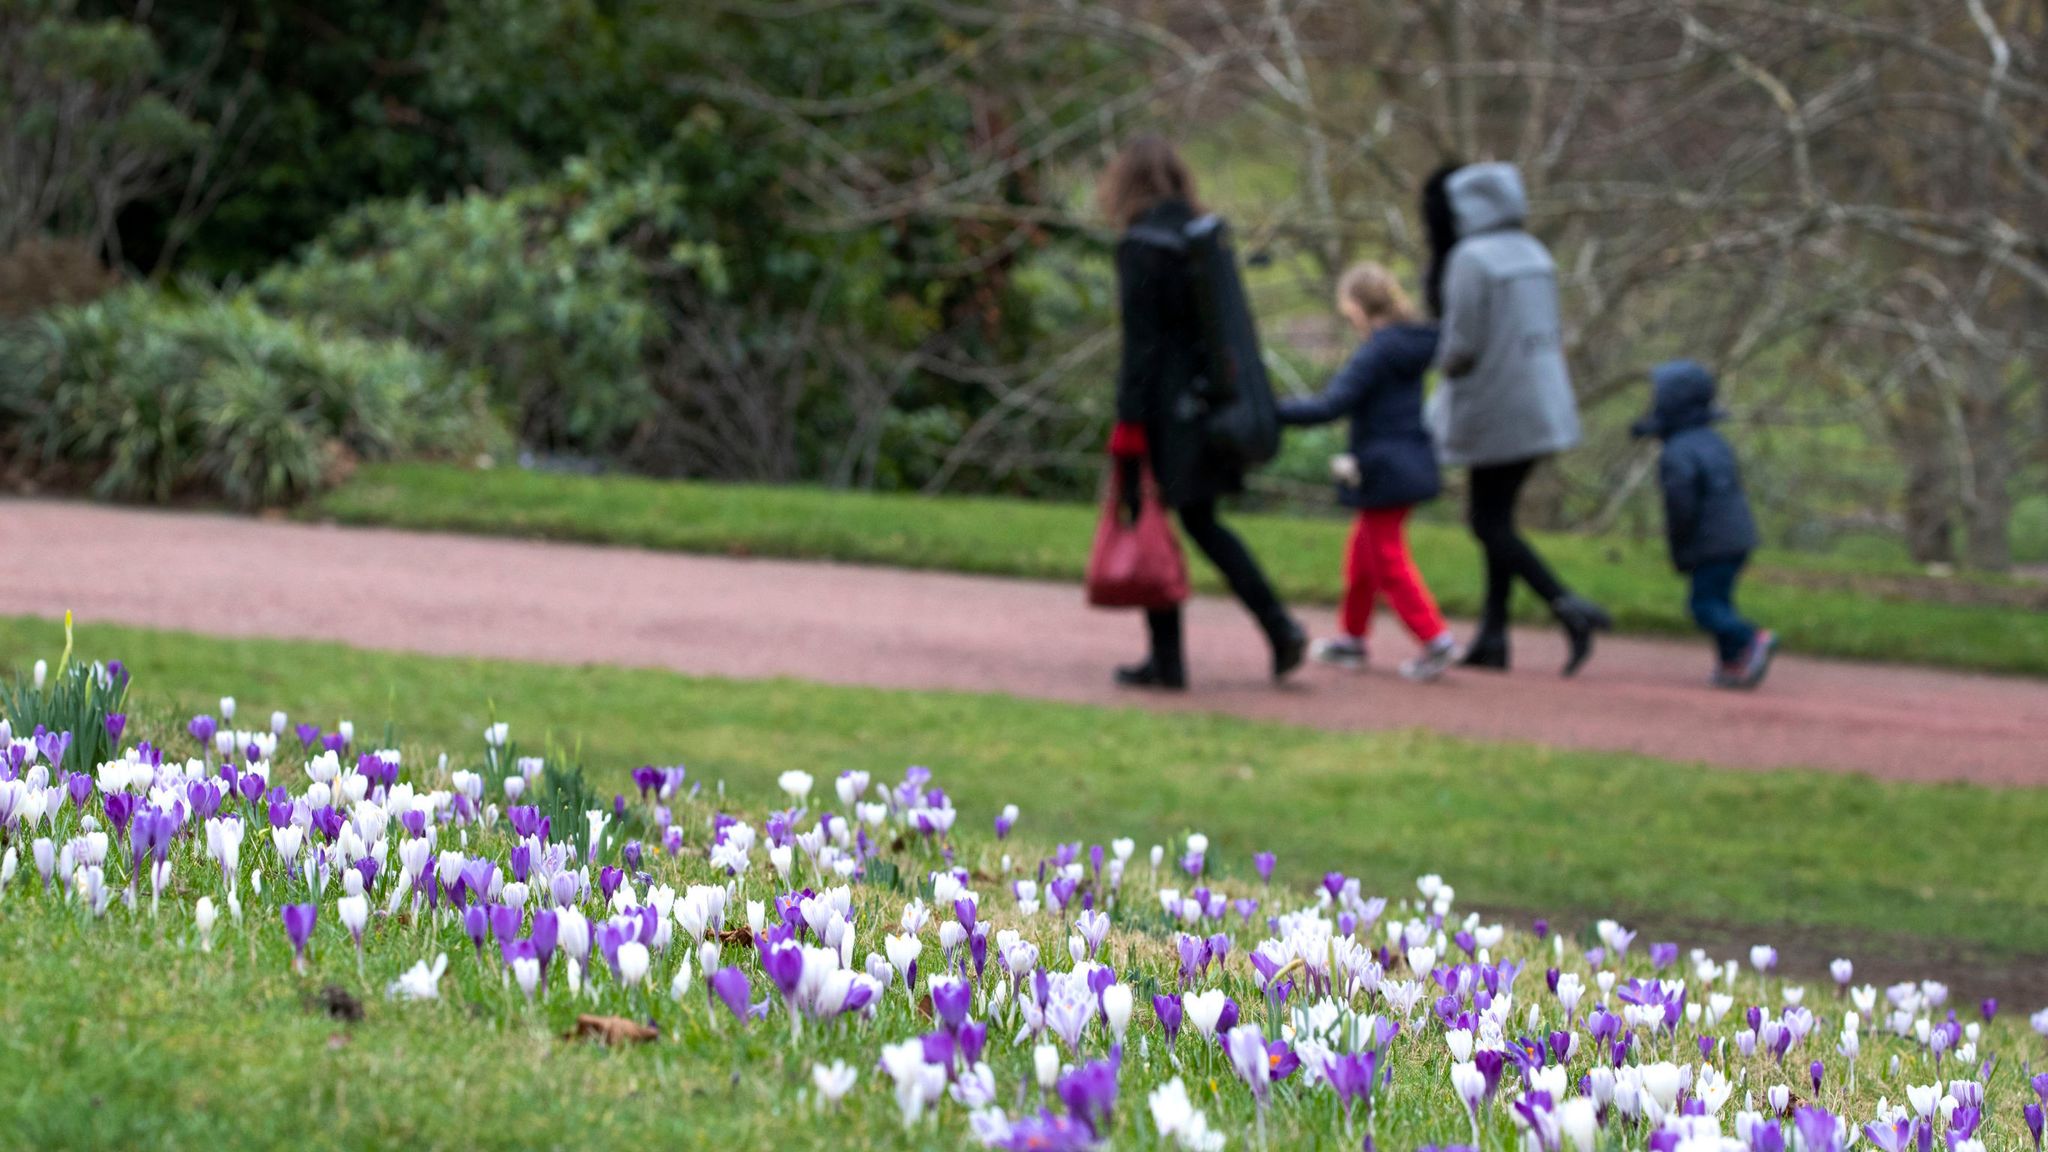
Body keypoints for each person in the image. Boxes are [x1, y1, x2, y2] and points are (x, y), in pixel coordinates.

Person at [1100, 135, 1306, 691]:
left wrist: (1128, 418)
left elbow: (1141, 346)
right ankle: (1276, 625)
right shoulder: (1200, 237)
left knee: (1154, 520)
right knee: (1201, 523)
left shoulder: (1141, 246)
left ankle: (1170, 659)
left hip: (1163, 410)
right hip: (1209, 404)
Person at [1423, 160, 1612, 676]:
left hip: (1495, 407)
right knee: (1498, 518)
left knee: (1487, 523)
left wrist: (1435, 366)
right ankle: (1494, 635)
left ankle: (1565, 604)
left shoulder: (1470, 259)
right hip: (1543, 405)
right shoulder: (1534, 252)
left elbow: (1460, 346)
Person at [1278, 263, 1458, 682]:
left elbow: (1331, 405)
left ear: (1357, 308)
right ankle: (1352, 639)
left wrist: (1270, 411)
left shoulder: (1376, 351)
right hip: (1407, 459)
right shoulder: (1410, 344)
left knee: (1387, 560)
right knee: (1363, 557)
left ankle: (1435, 641)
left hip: (1385, 468)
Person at [1631, 360, 1778, 689]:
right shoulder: (1713, 440)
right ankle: (1732, 664)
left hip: (1711, 541)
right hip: (1738, 537)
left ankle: (1751, 638)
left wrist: (1681, 547)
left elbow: (1681, 505)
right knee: (1719, 601)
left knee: (1703, 606)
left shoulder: (1677, 451)